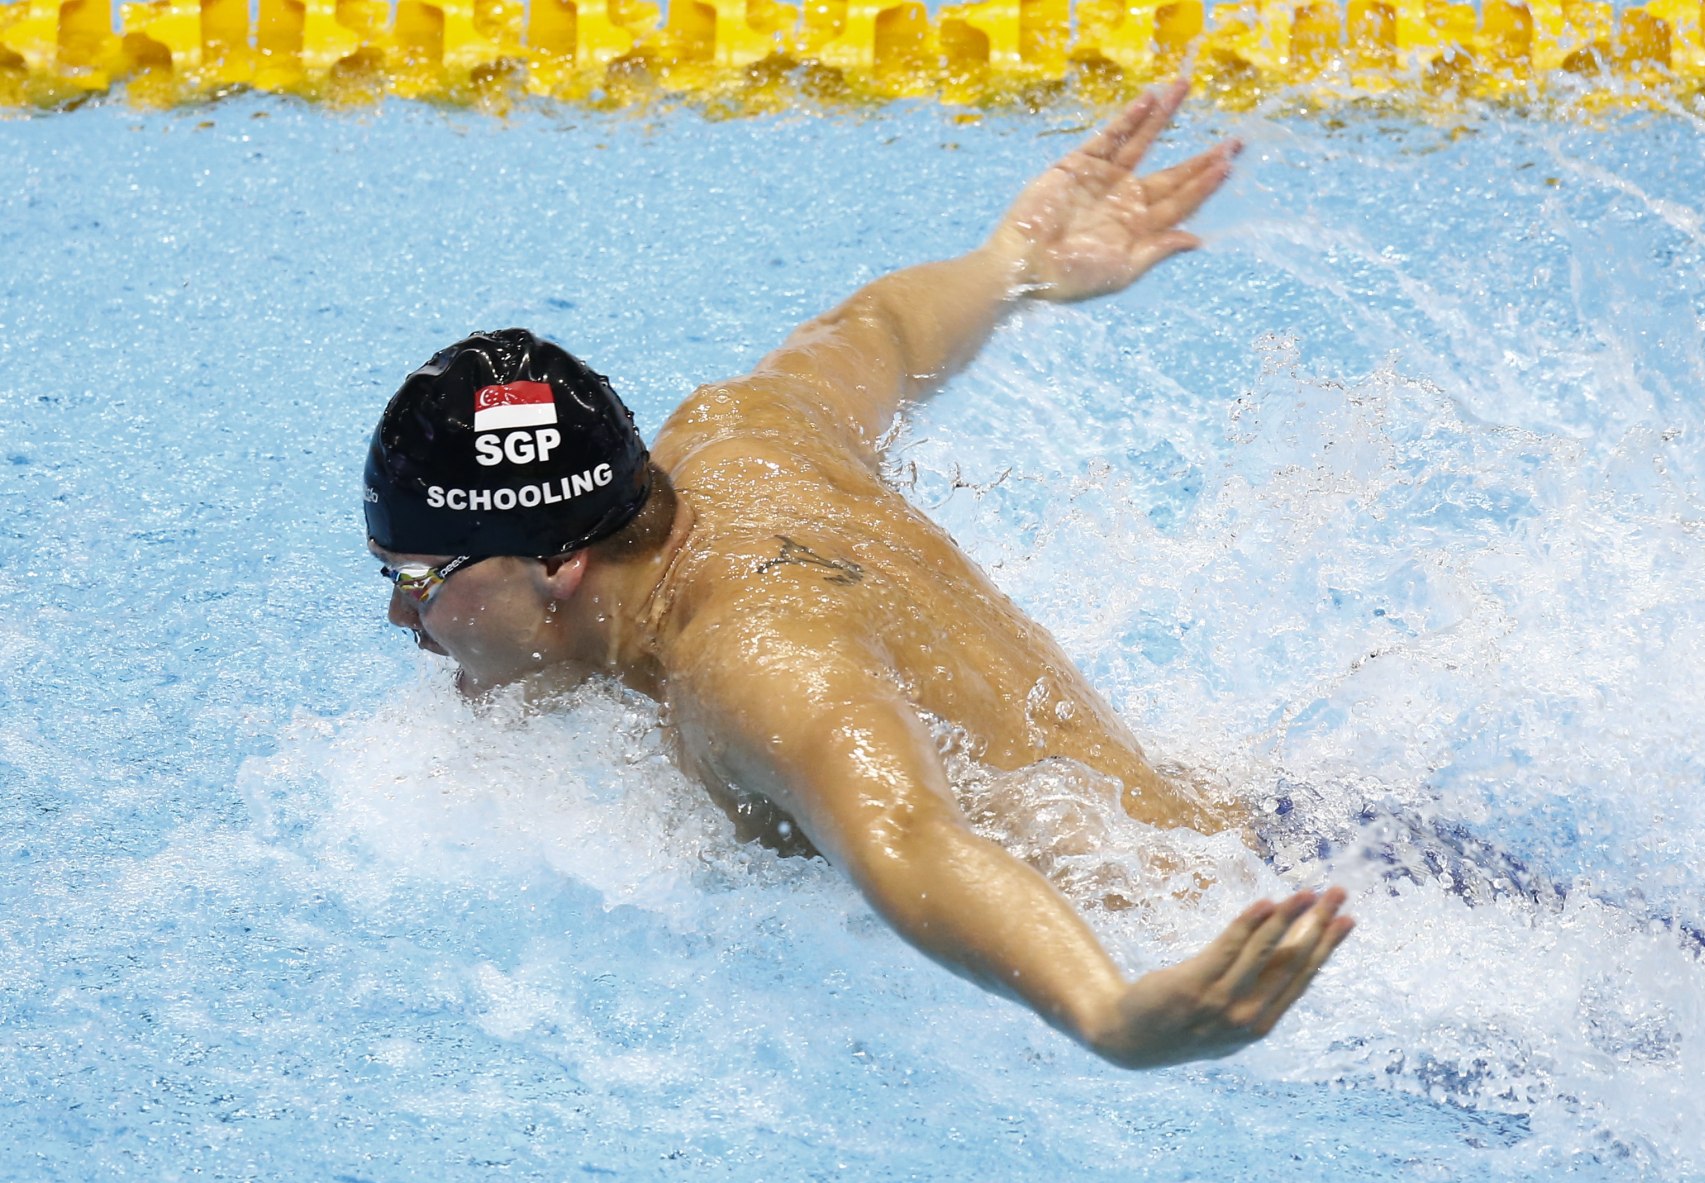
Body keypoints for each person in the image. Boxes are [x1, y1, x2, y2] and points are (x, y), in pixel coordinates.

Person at [363, 81, 1353, 1070]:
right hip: (1287, 837)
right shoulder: (738, 437)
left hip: (1252, 958)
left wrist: (1108, 1010)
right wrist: (1014, 261)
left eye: (420, 573)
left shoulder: (752, 659)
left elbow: (911, 837)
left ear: (556, 563)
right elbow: (881, 329)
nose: (404, 614)